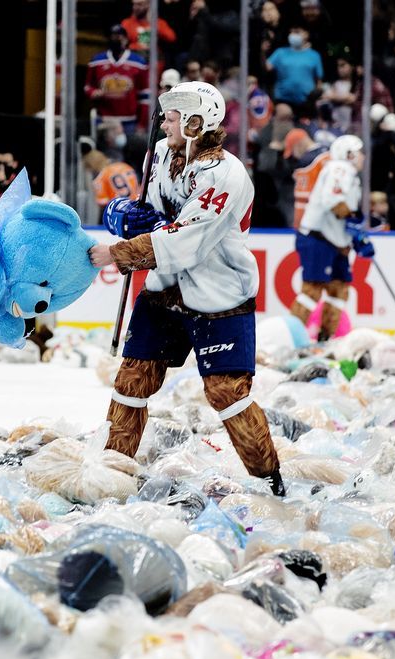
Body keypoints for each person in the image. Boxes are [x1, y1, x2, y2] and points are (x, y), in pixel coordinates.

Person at [87, 81, 285, 496]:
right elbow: (154, 213)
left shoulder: (228, 174)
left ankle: (270, 481)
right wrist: (124, 215)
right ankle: (114, 472)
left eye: (173, 118)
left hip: (218, 295)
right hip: (164, 289)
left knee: (226, 393)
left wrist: (119, 252)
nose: (164, 124)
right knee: (132, 380)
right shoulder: (160, 154)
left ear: (199, 122)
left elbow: (184, 239)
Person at [290, 135, 371, 341]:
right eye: (360, 152)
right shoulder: (340, 168)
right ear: (349, 154)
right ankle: (291, 336)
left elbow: (343, 210)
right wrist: (353, 221)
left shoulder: (349, 174)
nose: (363, 157)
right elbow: (332, 199)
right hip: (318, 238)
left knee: (340, 290)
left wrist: (353, 238)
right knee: (312, 291)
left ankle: (326, 338)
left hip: (333, 241)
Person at [84, 25, 149, 134]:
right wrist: (93, 92)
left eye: (120, 37)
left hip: (129, 121)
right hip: (104, 119)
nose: (117, 40)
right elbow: (87, 86)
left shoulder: (138, 62)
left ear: (126, 39)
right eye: (114, 37)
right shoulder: (96, 61)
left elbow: (145, 95)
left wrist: (142, 124)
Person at [265, 26, 322, 110]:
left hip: (307, 103)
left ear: (306, 34)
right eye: (291, 32)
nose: (293, 35)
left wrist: (316, 98)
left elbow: (318, 81)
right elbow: (266, 67)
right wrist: (262, 51)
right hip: (283, 100)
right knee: (284, 114)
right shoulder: (280, 52)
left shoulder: (314, 55)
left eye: (296, 32)